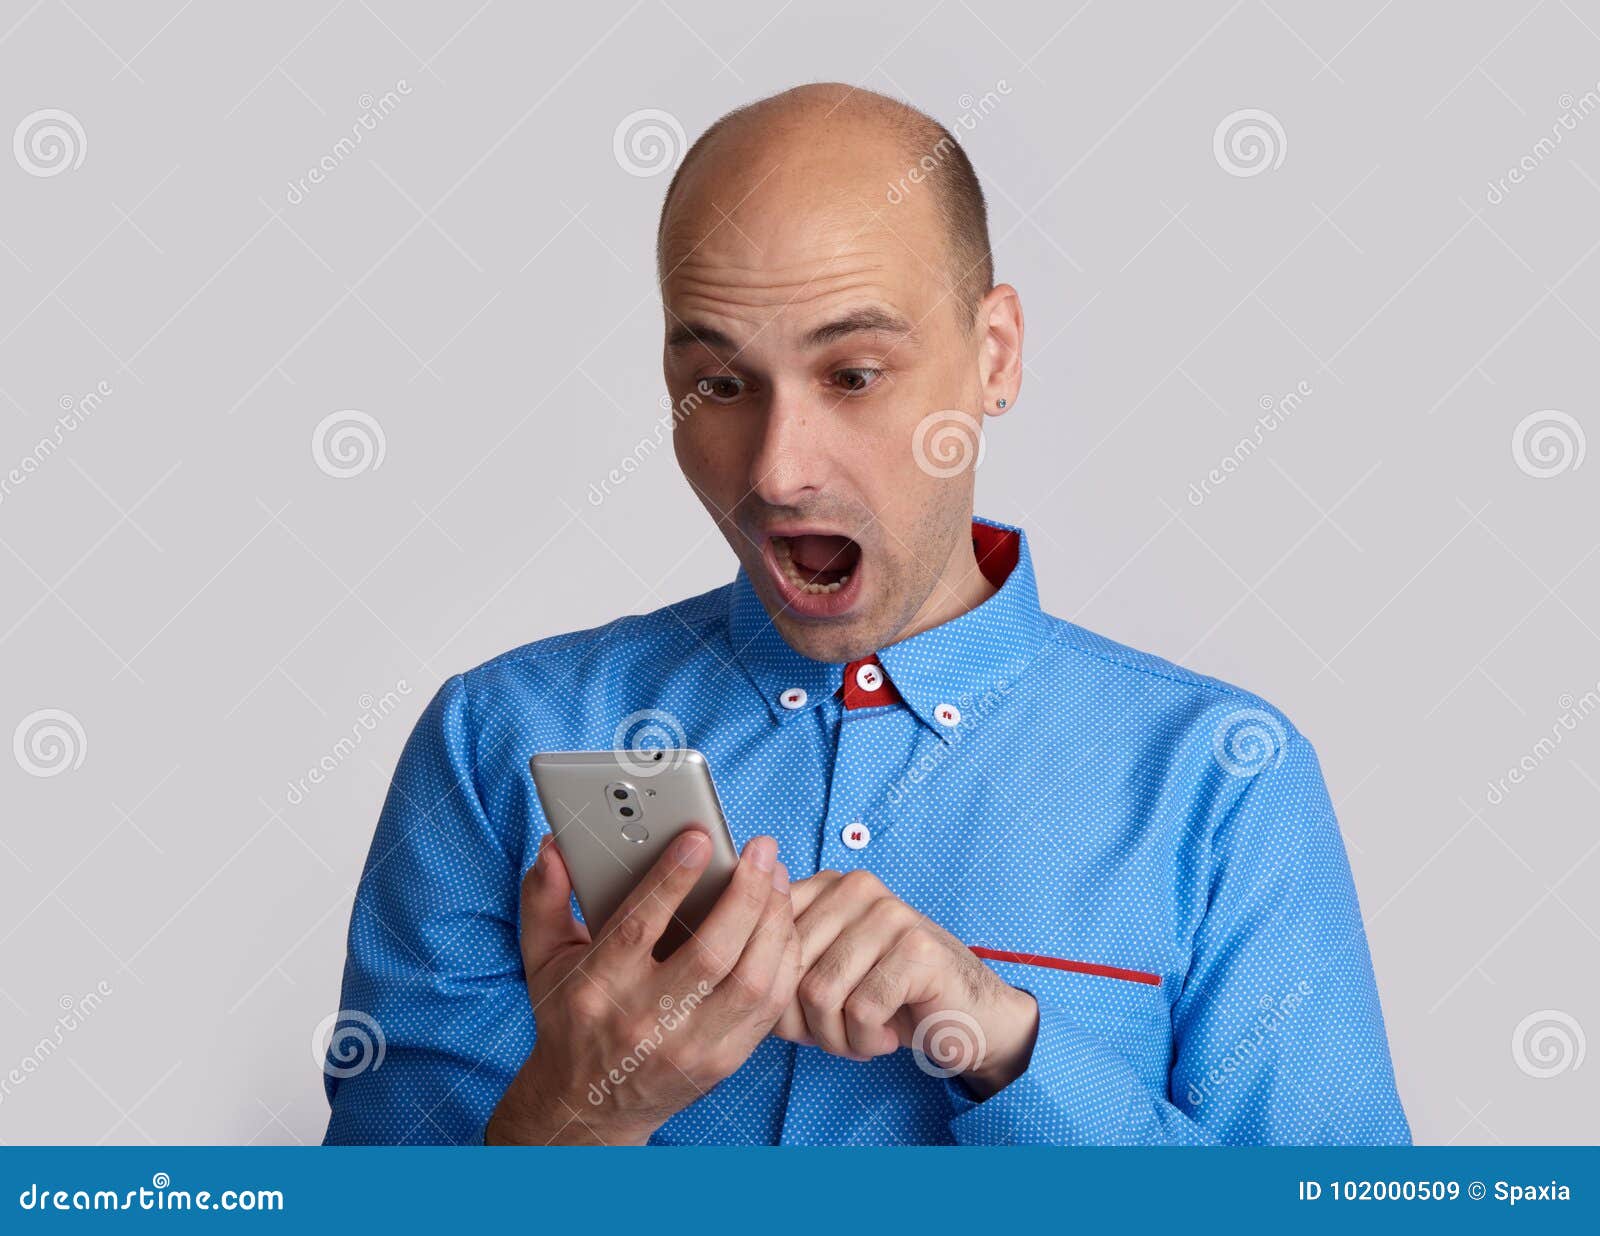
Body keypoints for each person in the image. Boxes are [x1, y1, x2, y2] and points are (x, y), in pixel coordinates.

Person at [322, 83, 1410, 1146]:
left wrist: (1010, 1049)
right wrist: (579, 1120)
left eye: (851, 374)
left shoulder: (1221, 781)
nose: (778, 471)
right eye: (722, 384)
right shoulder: (495, 740)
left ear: (994, 356)